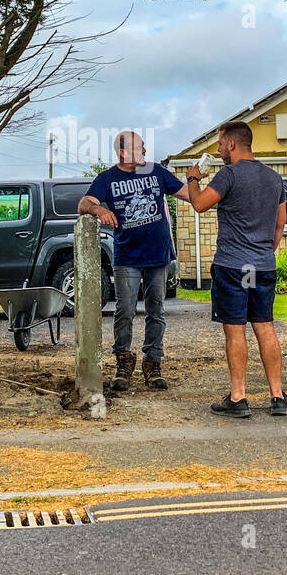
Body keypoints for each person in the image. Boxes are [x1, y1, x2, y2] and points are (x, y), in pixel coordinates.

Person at [184, 121, 287, 418]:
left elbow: (199, 204)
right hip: (262, 266)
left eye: (220, 144)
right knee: (264, 326)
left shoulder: (228, 175)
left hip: (233, 266)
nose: (219, 150)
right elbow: (280, 223)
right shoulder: (273, 178)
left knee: (235, 331)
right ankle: (277, 396)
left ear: (232, 144)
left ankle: (238, 398)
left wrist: (193, 178)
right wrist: (266, 251)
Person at [78, 131, 192, 391]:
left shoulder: (156, 171)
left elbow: (188, 195)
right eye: (140, 147)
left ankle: (153, 364)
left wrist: (199, 183)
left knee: (156, 310)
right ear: (123, 152)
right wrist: (99, 209)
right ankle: (123, 363)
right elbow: (84, 203)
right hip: (127, 257)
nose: (144, 150)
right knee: (125, 310)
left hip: (158, 255)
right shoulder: (107, 178)